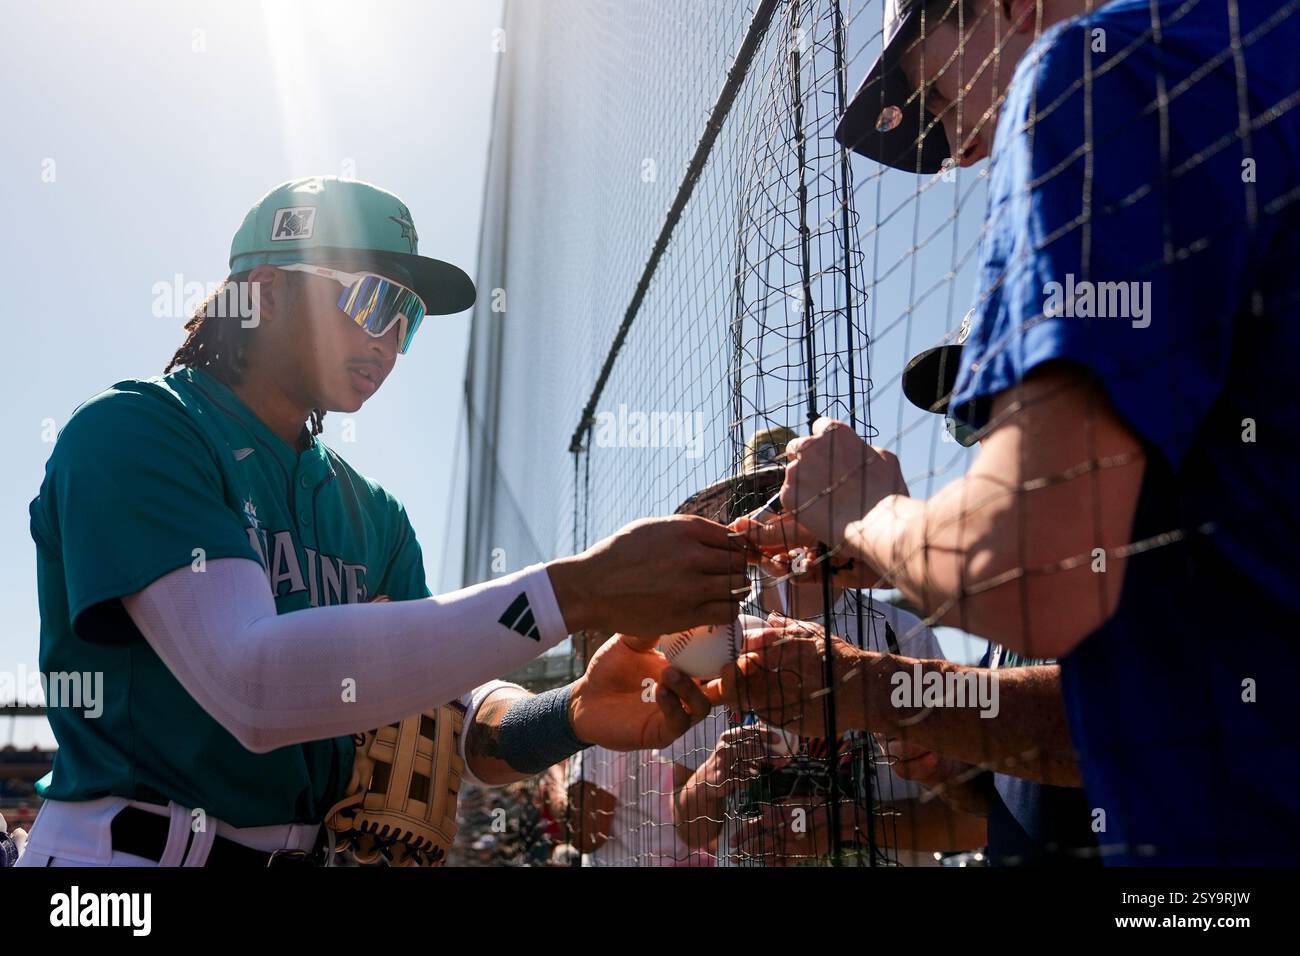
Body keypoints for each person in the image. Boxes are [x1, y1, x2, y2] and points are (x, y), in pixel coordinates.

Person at [726, 0, 1300, 864]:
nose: (959, 152)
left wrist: (863, 510)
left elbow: (1031, 578)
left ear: (1003, 6)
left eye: (939, 101)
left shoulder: (1103, 72)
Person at [21, 176, 733, 866]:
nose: (390, 339)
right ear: (266, 290)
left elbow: (450, 715)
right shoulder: (138, 430)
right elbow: (251, 688)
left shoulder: (375, 514)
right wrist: (577, 591)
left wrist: (568, 714)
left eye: (409, 317)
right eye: (372, 299)